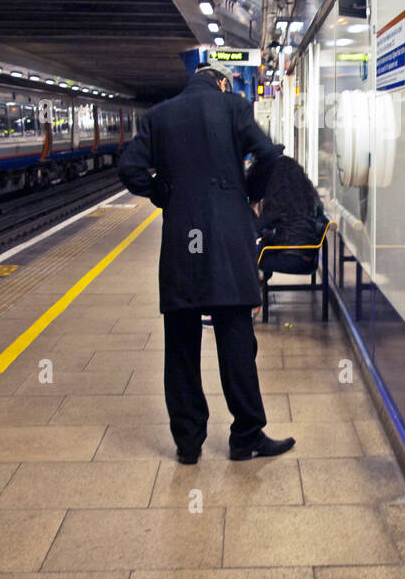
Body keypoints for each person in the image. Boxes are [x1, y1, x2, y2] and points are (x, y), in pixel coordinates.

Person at [117, 64, 294, 464]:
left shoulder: (159, 115)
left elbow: (129, 168)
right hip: (228, 239)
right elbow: (267, 153)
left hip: (184, 241)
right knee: (235, 337)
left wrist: (163, 193)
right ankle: (246, 435)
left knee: (181, 343)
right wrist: (247, 193)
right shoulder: (232, 106)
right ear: (222, 83)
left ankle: (188, 443)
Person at [256, 155, 327, 276]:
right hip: (310, 260)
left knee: (242, 255)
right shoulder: (310, 196)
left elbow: (258, 226)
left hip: (291, 259)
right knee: (260, 246)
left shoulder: (279, 199)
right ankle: (262, 280)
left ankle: (253, 288)